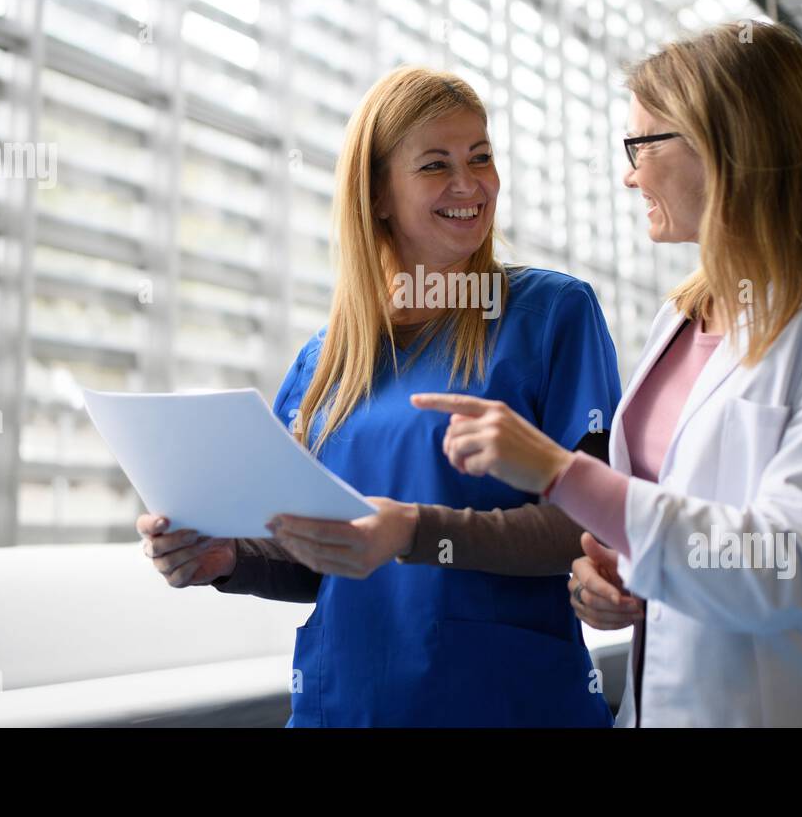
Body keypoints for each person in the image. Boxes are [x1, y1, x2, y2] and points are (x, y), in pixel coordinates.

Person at [415, 20, 802, 726]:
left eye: (641, 145)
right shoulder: (681, 320)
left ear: (723, 145)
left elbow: (789, 562)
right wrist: (617, 582)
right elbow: (672, 528)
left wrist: (560, 472)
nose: (630, 173)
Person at [137, 66, 623, 727]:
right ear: (379, 195)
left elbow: (593, 525)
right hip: (344, 705)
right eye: (435, 165)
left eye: (481, 157)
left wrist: (416, 531)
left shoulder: (551, 313)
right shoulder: (327, 357)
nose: (470, 184)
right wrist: (229, 559)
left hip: (502, 703)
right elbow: (322, 557)